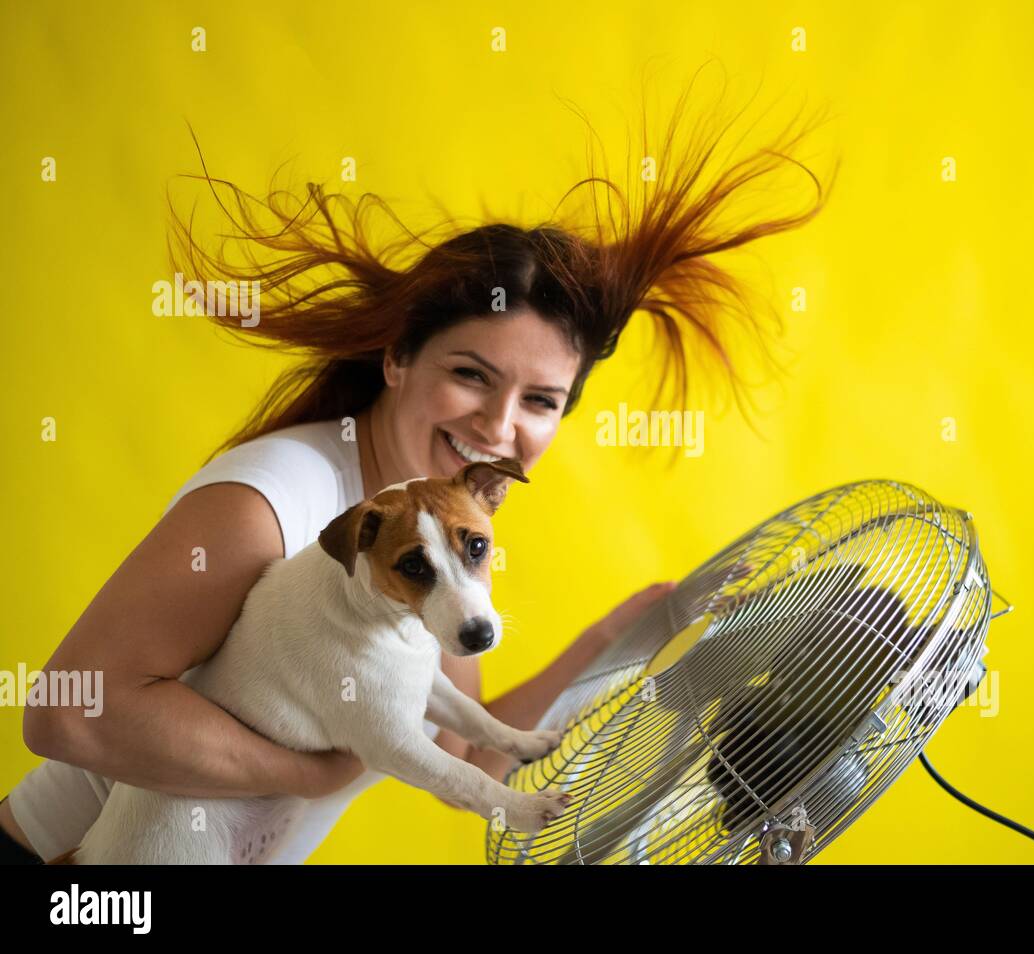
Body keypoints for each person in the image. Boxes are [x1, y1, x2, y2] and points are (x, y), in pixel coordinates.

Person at [1, 75, 837, 863]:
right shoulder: (274, 502)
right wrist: (316, 773)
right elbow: (68, 712)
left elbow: (464, 753)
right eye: (471, 375)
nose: (499, 425)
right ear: (398, 357)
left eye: (541, 401)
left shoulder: (438, 543)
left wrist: (637, 632)